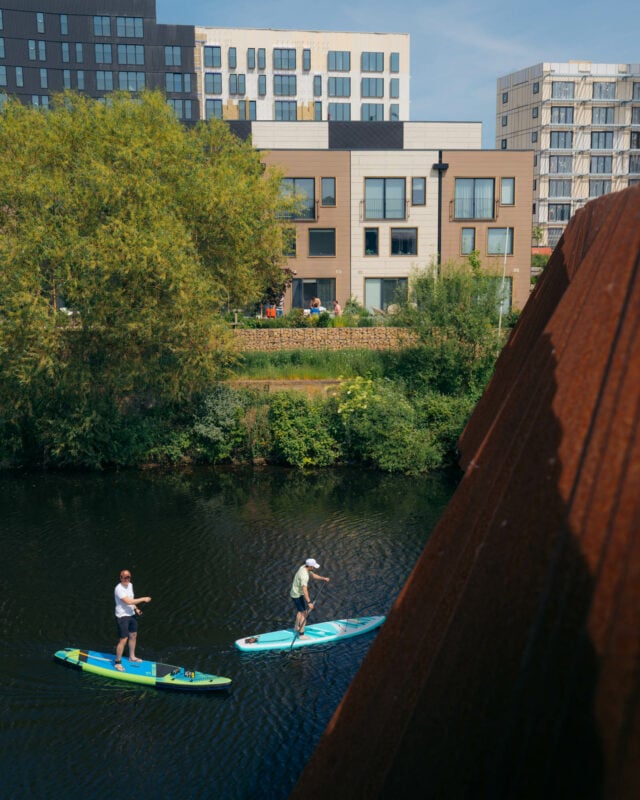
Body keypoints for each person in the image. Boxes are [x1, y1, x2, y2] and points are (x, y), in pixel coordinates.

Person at [114, 570, 152, 671]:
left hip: (131, 615)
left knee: (133, 635)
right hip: (122, 616)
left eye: (128, 577)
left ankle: (132, 657)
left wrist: (136, 608)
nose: (126, 579)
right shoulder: (119, 589)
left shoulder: (130, 585)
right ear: (120, 578)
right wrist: (143, 598)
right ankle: (117, 662)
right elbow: (128, 601)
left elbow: (131, 599)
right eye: (124, 577)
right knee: (123, 639)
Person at [290, 558, 330, 637]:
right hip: (297, 595)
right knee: (304, 613)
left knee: (300, 611)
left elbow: (312, 575)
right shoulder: (304, 576)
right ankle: (301, 635)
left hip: (295, 593)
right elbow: (305, 590)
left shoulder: (303, 567)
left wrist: (323, 578)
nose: (315, 568)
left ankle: (296, 627)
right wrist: (309, 602)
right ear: (310, 566)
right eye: (314, 567)